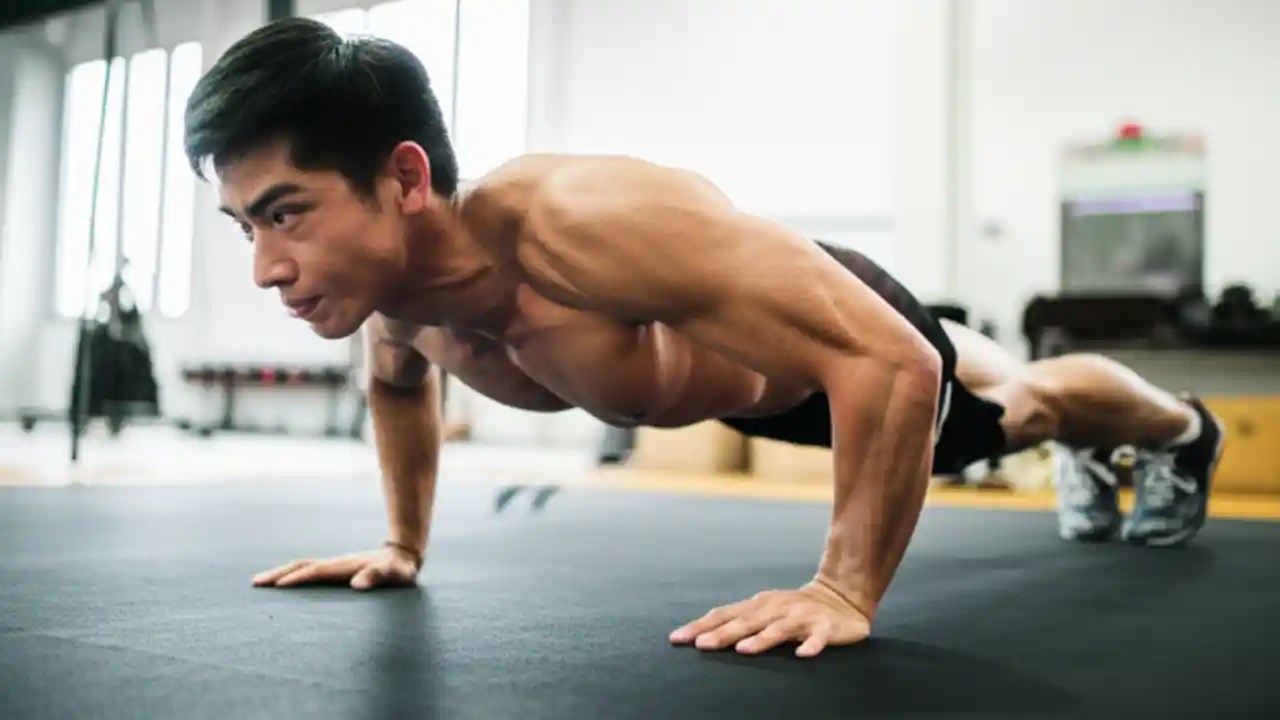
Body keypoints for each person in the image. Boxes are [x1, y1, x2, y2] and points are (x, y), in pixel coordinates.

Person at [184, 19, 1225, 659]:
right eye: (244, 226)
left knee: (1016, 411)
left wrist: (840, 587)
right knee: (998, 378)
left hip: (837, 346)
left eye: (287, 214)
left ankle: (1181, 433)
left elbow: (888, 360)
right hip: (740, 381)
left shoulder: (574, 224)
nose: (265, 266)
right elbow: (400, 387)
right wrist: (403, 543)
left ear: (405, 180)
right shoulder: (398, 300)